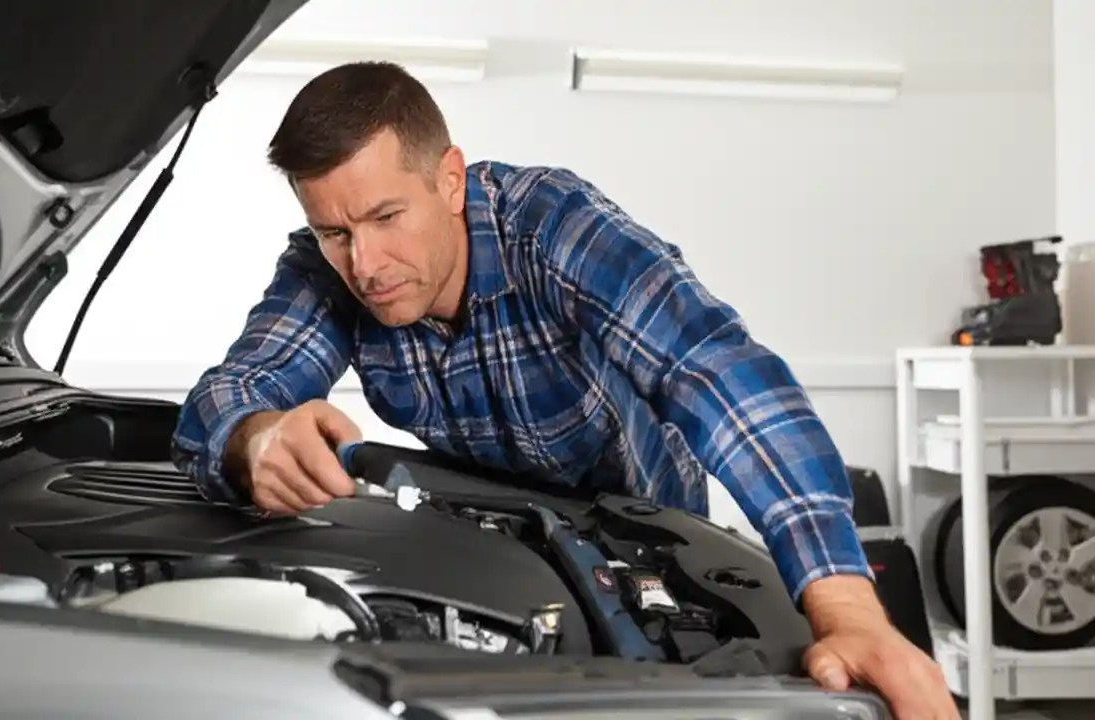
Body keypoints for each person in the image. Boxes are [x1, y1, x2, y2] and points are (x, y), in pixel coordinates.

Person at [171, 61, 956, 719]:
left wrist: (849, 611)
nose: (365, 263)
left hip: (649, 546)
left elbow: (719, 374)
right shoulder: (327, 268)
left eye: (385, 217)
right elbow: (237, 387)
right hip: (499, 557)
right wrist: (255, 438)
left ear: (449, 179)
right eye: (335, 232)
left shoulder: (552, 228)